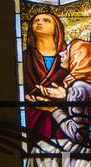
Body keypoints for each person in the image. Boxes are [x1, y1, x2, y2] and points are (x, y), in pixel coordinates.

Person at [22, 12, 67, 141]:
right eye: (36, 21)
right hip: (33, 115)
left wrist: (64, 95)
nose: (39, 23)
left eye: (46, 20)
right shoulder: (24, 58)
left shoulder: (68, 57)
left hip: (64, 115)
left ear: (56, 28)